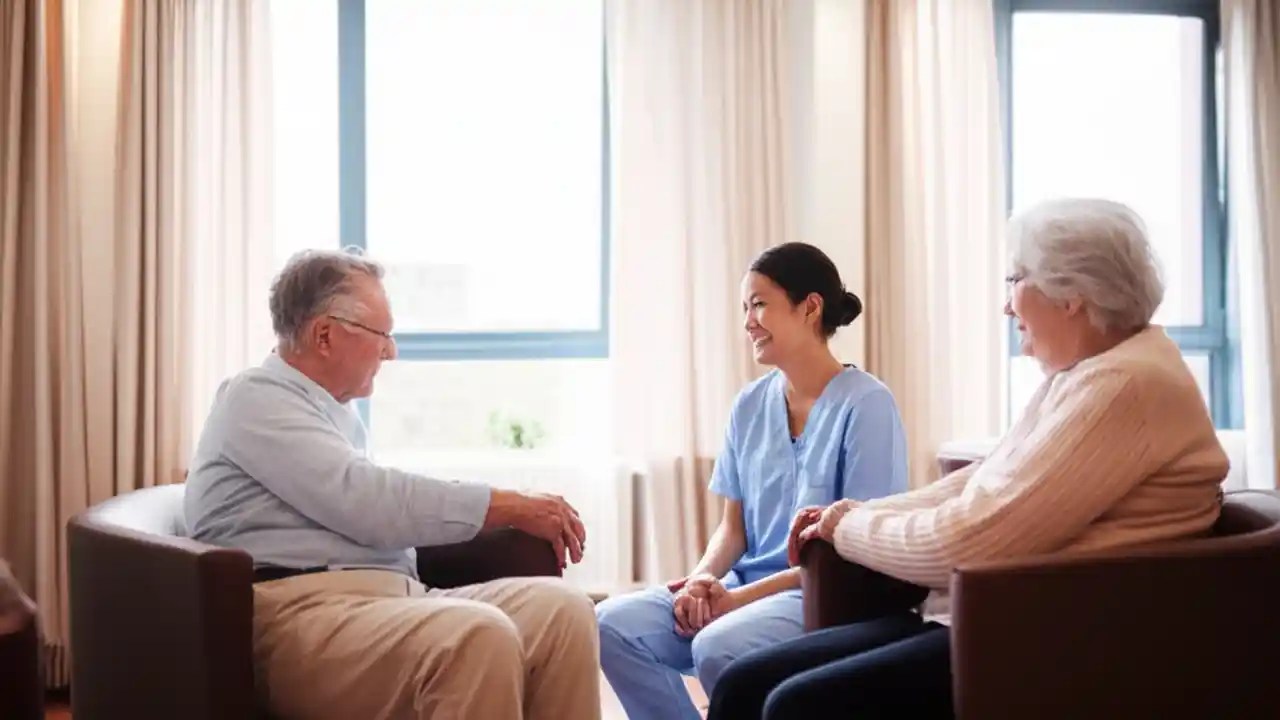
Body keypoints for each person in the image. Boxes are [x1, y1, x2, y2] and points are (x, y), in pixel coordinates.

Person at [708, 198, 1231, 719]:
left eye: (1014, 281)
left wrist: (845, 528)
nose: (1007, 306)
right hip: (998, 618)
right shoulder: (1090, 374)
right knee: (742, 683)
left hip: (1043, 642)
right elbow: (980, 482)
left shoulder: (1121, 385)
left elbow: (968, 540)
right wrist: (852, 516)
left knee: (789, 704)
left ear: (1070, 293)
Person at [184, 249, 600, 720]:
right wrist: (506, 505)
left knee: (565, 612)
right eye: (381, 335)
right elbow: (366, 500)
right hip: (302, 618)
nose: (391, 351)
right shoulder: (255, 398)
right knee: (475, 636)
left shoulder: (332, 414)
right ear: (325, 334)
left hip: (390, 601)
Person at [596, 242, 909, 719]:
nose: (748, 321)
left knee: (718, 645)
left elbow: (853, 553)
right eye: (745, 307)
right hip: (741, 587)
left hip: (818, 594)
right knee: (611, 623)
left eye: (759, 303)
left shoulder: (867, 404)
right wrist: (702, 579)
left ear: (809, 308)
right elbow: (733, 529)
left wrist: (737, 600)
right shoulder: (748, 405)